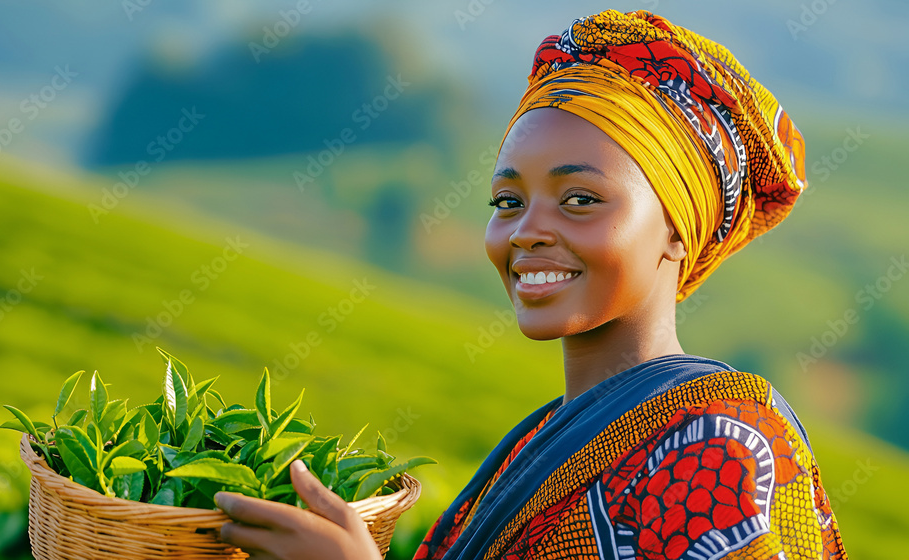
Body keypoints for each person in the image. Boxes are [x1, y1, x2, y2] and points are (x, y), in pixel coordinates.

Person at [213, 9, 847, 559]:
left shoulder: (722, 445)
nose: (526, 231)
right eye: (507, 200)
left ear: (678, 233)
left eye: (578, 198)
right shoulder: (538, 444)